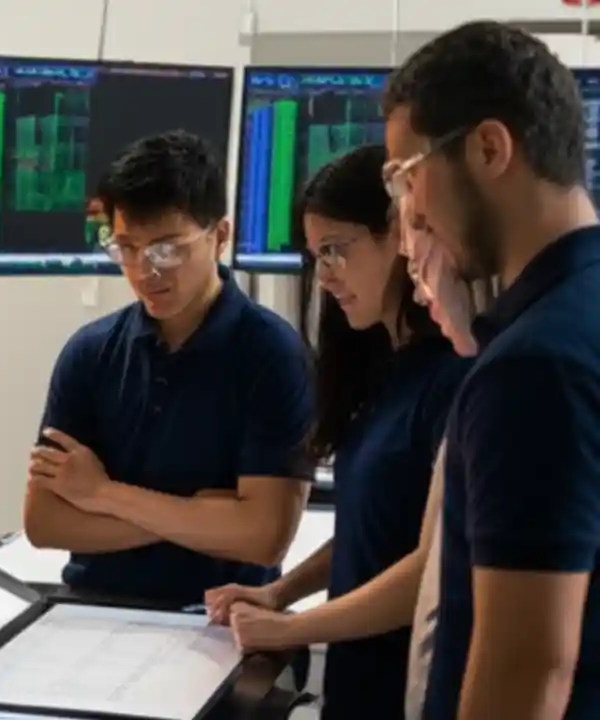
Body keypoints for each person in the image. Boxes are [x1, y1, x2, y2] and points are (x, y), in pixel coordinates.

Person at [202, 145, 474, 720]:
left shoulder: (452, 378)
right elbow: (372, 529)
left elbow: (430, 568)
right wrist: (280, 592)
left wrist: (291, 627)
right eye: (315, 257)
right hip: (356, 688)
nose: (323, 277)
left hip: (411, 690)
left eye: (336, 251)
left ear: (397, 236)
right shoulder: (383, 370)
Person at [385, 20, 600, 720]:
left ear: (488, 147)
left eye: (408, 176)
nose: (411, 209)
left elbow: (527, 669)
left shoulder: (532, 368)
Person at [24, 130, 314, 607]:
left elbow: (262, 537)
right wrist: (199, 517)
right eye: (125, 248)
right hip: (92, 610)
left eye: (166, 249)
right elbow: (44, 523)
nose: (143, 271)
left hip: (218, 619)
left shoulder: (273, 354)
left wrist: (101, 492)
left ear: (219, 236)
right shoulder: (90, 353)